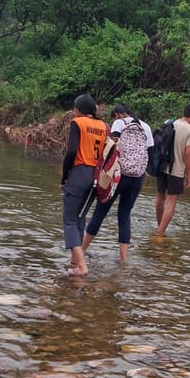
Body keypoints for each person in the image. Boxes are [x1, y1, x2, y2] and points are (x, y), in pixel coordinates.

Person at [82, 104, 153, 264]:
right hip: (136, 177)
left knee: (100, 211)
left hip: (118, 175)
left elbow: (110, 148)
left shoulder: (119, 123)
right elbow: (150, 154)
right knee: (125, 215)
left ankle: (82, 250)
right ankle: (123, 258)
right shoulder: (146, 127)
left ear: (118, 114)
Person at [61, 93, 108, 277]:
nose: (73, 112)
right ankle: (74, 261)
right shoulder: (104, 126)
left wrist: (64, 176)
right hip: (96, 176)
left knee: (70, 219)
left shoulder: (78, 123)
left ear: (79, 110)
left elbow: (71, 151)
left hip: (79, 173)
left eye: (74, 109)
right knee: (80, 217)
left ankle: (81, 265)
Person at [155, 103, 190, 236]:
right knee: (171, 201)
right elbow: (188, 154)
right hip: (176, 170)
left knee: (160, 197)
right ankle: (160, 233)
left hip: (162, 167)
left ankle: (159, 227)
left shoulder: (169, 123)